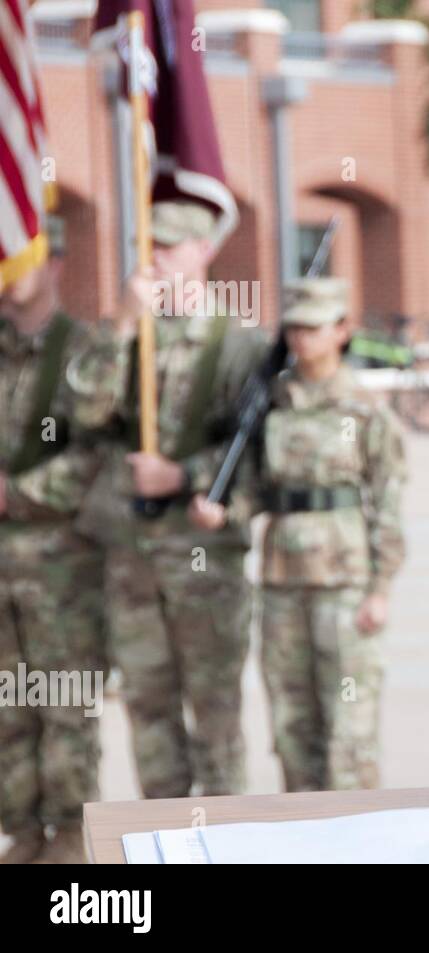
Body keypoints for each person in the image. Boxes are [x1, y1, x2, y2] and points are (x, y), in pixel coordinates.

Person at [67, 200, 266, 799]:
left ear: (205, 252)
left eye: (173, 244)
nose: (157, 255)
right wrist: (124, 324)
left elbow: (259, 458)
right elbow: (85, 412)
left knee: (216, 717)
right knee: (148, 711)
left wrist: (181, 476)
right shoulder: (132, 338)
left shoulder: (239, 345)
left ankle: (228, 844)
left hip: (204, 560)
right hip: (133, 558)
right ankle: (162, 841)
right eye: (151, 243)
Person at [189, 277, 406, 791]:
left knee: (349, 730)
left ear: (341, 330)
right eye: (294, 327)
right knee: (291, 723)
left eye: (314, 326)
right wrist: (224, 511)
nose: (302, 337)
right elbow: (255, 490)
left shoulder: (364, 408)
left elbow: (389, 501)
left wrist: (380, 589)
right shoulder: (270, 402)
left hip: (345, 583)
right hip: (283, 582)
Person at [0, 236, 106, 863]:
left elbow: (96, 451)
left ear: (58, 261)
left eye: (22, 253)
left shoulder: (84, 353)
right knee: (8, 705)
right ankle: (22, 834)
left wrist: (16, 494)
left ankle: (69, 839)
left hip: (62, 566)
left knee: (64, 704)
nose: (10, 270)